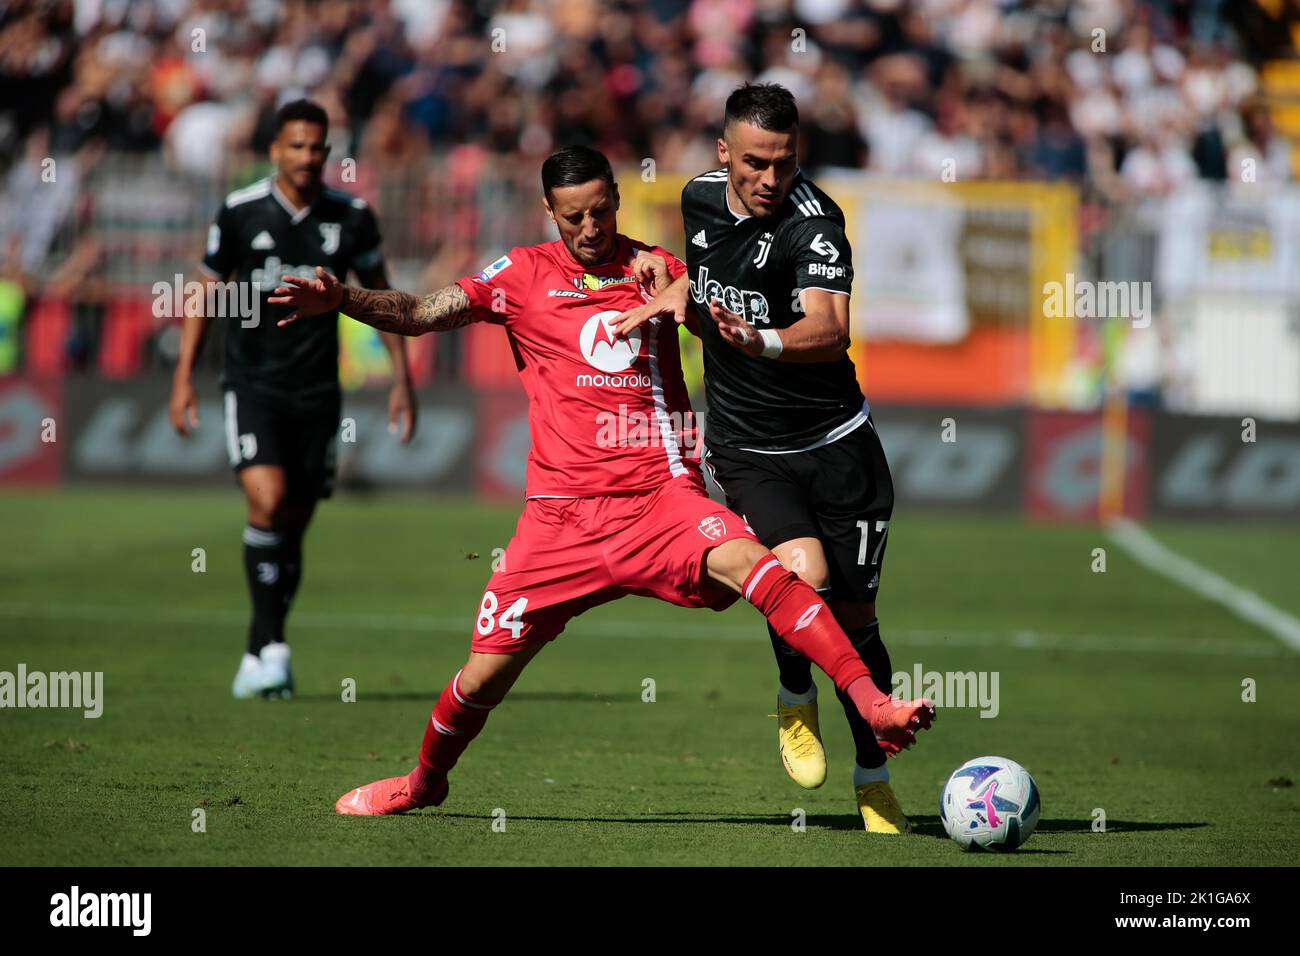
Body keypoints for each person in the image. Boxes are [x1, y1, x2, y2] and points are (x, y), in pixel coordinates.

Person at [269, 145, 934, 815]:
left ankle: (871, 707)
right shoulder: (520, 275)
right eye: (573, 217)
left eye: (601, 210)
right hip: (557, 523)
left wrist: (684, 296)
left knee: (763, 568)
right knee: (481, 678)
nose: (591, 229)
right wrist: (344, 299)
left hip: (660, 503)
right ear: (549, 212)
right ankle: (424, 783)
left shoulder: (658, 266)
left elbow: (714, 316)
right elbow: (421, 312)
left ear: (618, 195)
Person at [615, 83, 912, 833]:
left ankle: (872, 772)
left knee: (856, 619)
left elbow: (830, 328)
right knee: (800, 575)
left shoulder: (816, 225)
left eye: (783, 162)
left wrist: (761, 340)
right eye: (754, 162)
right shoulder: (699, 200)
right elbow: (710, 280)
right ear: (724, 154)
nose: (770, 179)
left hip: (839, 447)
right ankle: (792, 693)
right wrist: (671, 287)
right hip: (748, 448)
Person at [169, 99, 416, 699]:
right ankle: (270, 646)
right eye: (296, 145)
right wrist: (182, 378)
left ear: (327, 152)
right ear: (275, 150)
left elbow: (385, 300)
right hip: (252, 384)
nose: (307, 156)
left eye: (317, 147)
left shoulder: (352, 218)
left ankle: (262, 649)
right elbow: (206, 291)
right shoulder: (240, 211)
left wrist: (403, 379)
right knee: (268, 497)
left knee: (296, 523)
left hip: (317, 391)